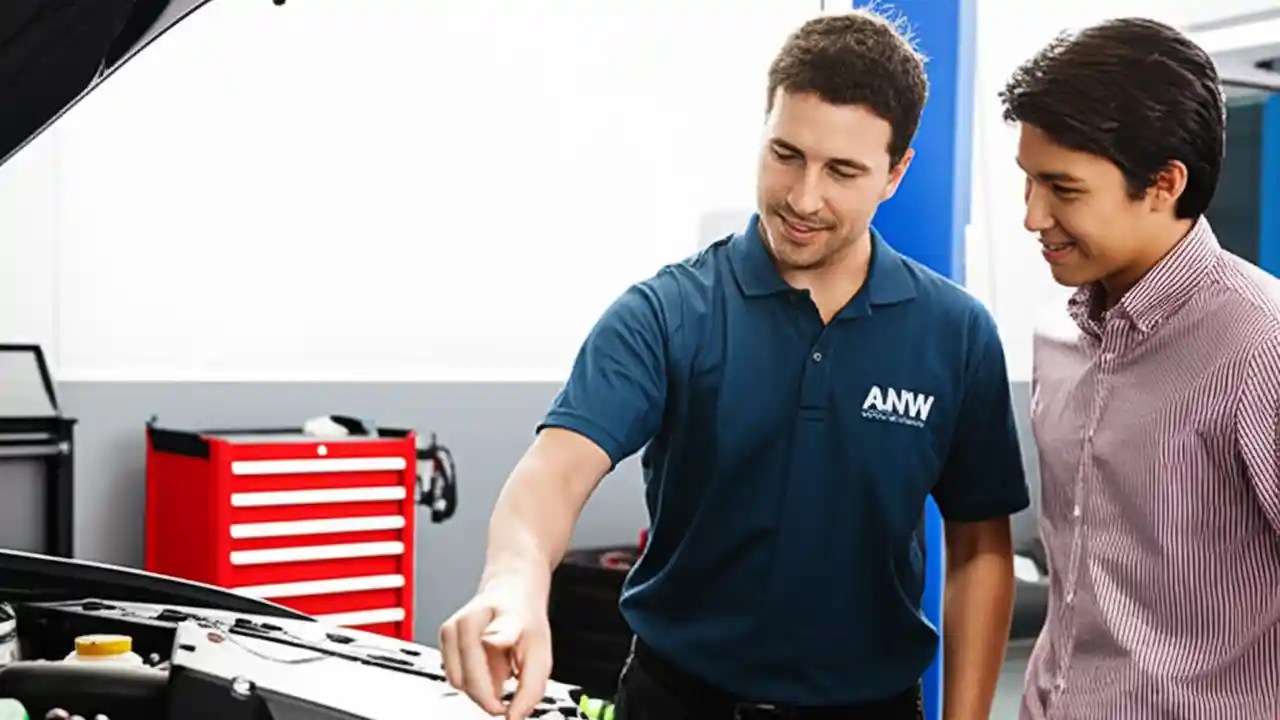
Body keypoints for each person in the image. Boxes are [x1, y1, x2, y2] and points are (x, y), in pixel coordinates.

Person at [440, 10, 1030, 720]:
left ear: (895, 173)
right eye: (786, 154)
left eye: (842, 171)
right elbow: (555, 471)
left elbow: (979, 549)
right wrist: (512, 580)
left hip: (868, 707)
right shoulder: (668, 312)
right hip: (677, 701)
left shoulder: (957, 334)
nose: (804, 198)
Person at [1000, 17, 1280, 719]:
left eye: (1062, 189)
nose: (1033, 217)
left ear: (1163, 183)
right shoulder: (1057, 336)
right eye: (1028, 182)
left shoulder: (1261, 346)